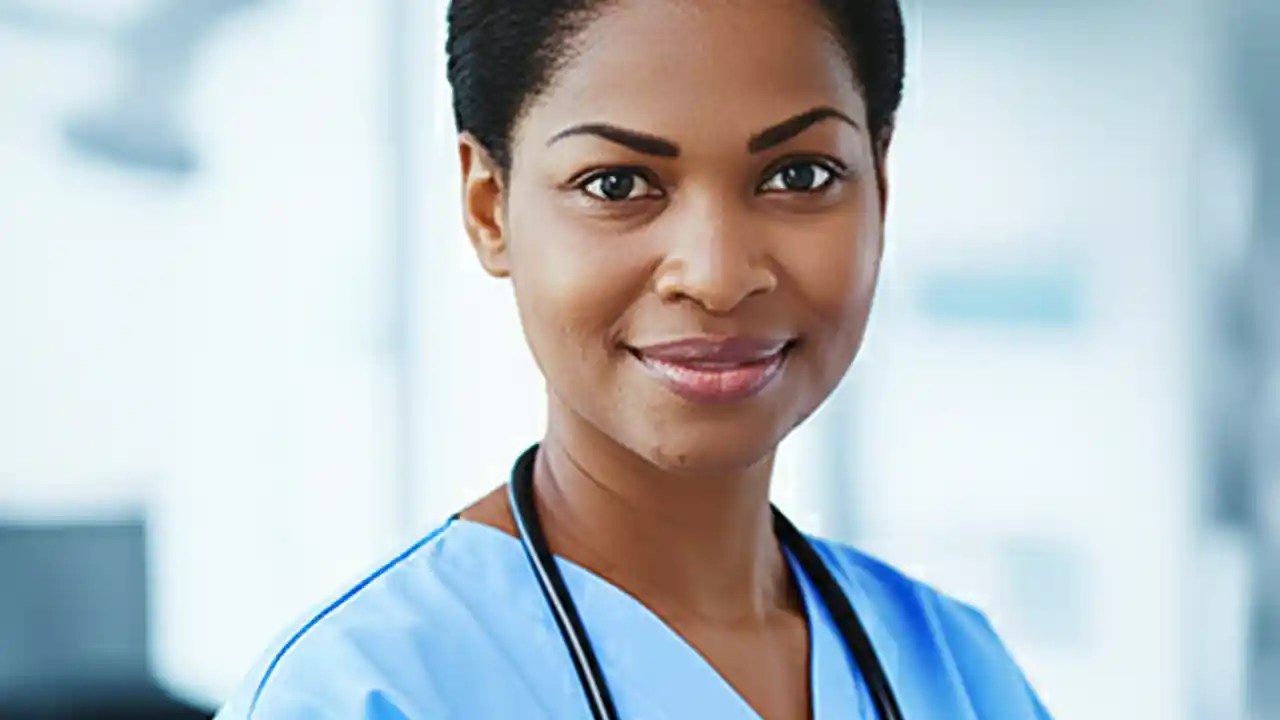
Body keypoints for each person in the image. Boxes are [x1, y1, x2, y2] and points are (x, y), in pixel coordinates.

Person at [216, 1, 1052, 717]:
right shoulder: (360, 695)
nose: (718, 276)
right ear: (489, 208)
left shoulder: (958, 673)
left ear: (881, 184)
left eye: (799, 173)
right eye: (617, 184)